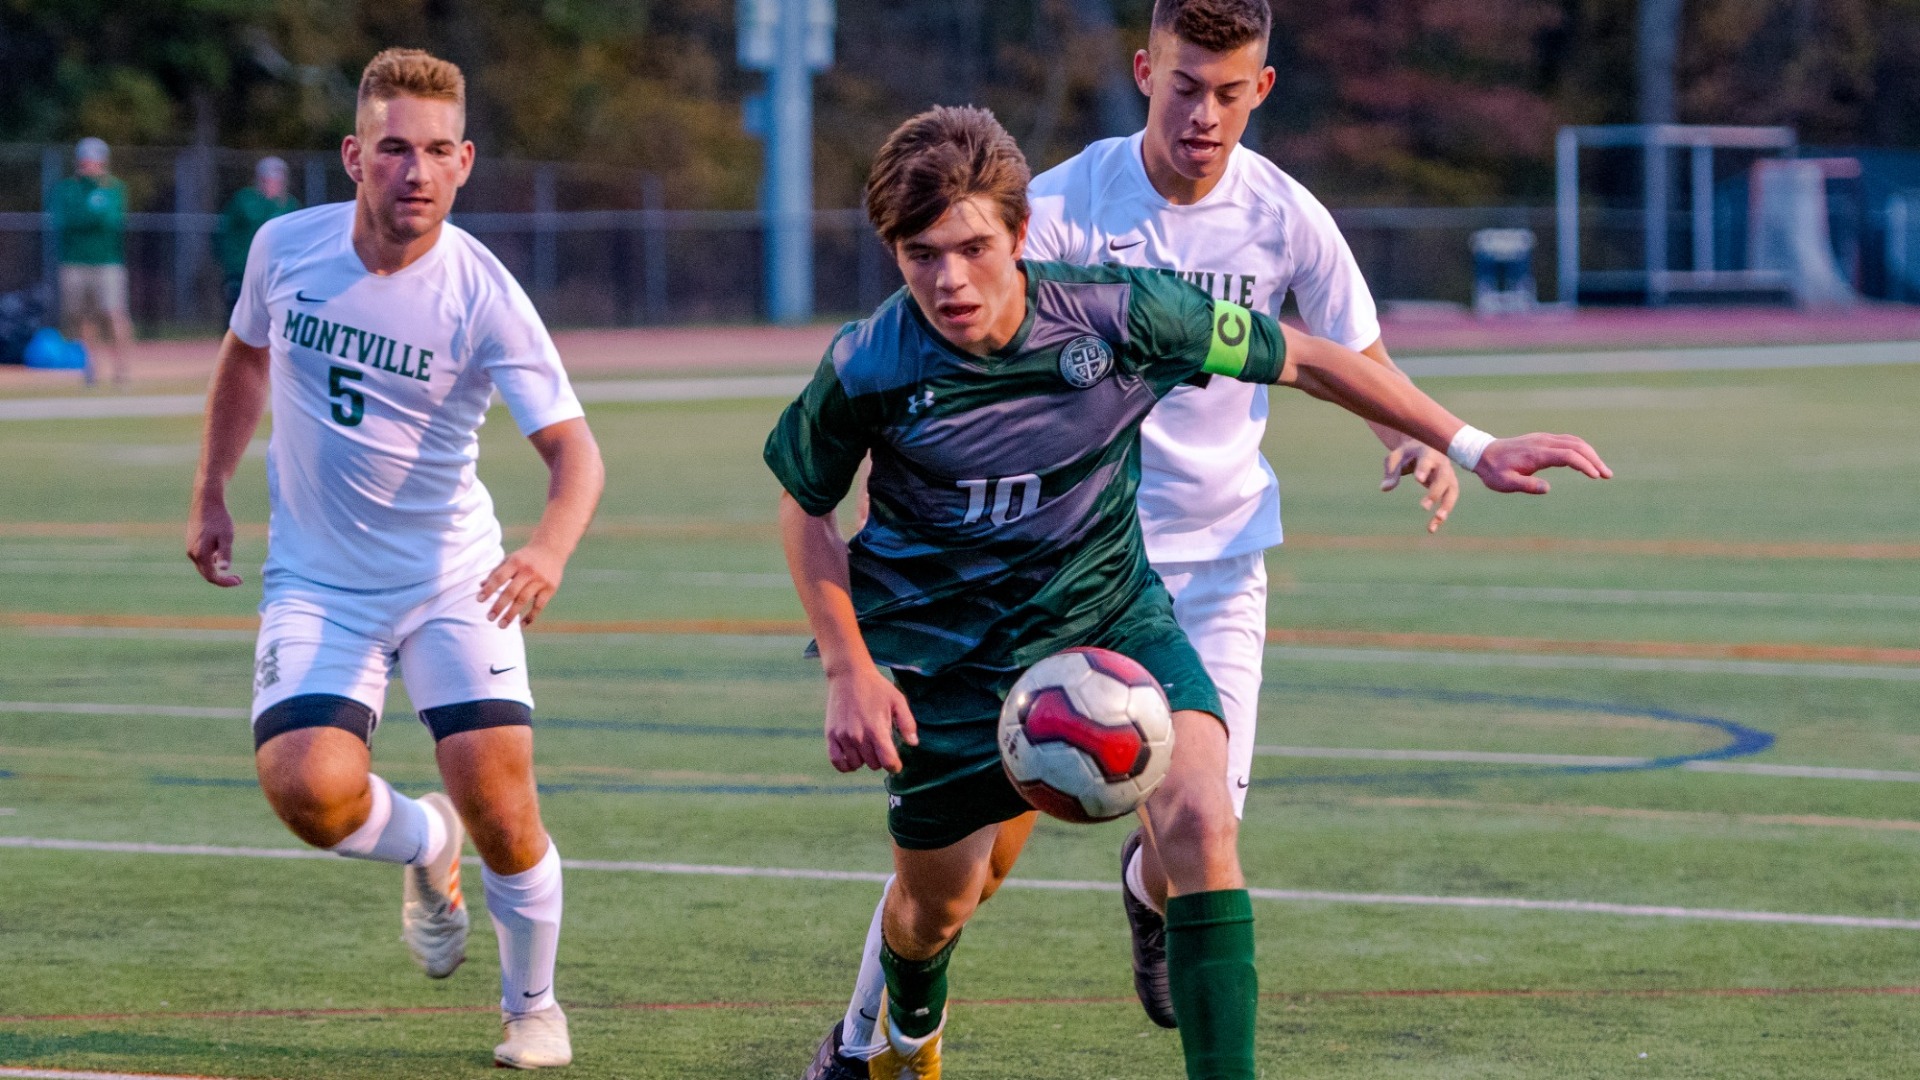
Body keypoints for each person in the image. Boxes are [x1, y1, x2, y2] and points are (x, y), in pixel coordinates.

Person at [773, 104, 1608, 1080]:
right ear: (892, 249)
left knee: (1205, 825)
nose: (949, 280)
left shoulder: (1119, 313)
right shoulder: (869, 363)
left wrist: (1471, 444)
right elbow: (805, 507)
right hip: (947, 657)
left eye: (972, 249)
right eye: (921, 255)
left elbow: (1308, 358)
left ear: (1022, 233)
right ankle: (903, 1036)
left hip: (1109, 613)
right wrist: (849, 668)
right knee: (937, 907)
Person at [184, 48, 603, 1070]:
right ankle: (424, 840)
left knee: (504, 812)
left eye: (435, 151)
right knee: (306, 790)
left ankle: (534, 1009)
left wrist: (547, 549)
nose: (415, 171)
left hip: (452, 581)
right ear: (353, 156)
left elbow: (576, 454)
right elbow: (245, 356)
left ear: (464, 162)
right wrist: (211, 489)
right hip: (318, 582)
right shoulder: (284, 248)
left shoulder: (484, 293)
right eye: (393, 149)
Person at [49, 136, 134, 387]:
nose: (90, 165)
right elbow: (66, 220)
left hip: (107, 261)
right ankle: (91, 369)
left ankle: (122, 370)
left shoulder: (114, 188)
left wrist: (88, 216)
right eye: (86, 161)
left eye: (94, 161)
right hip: (74, 261)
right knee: (83, 316)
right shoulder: (67, 189)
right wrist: (91, 214)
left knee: (114, 313)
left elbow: (111, 221)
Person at [216, 156, 301, 310]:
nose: (274, 184)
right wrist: (231, 263)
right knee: (238, 311)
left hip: (276, 272)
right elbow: (224, 233)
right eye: (269, 179)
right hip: (243, 269)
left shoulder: (290, 205)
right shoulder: (244, 200)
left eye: (278, 179)